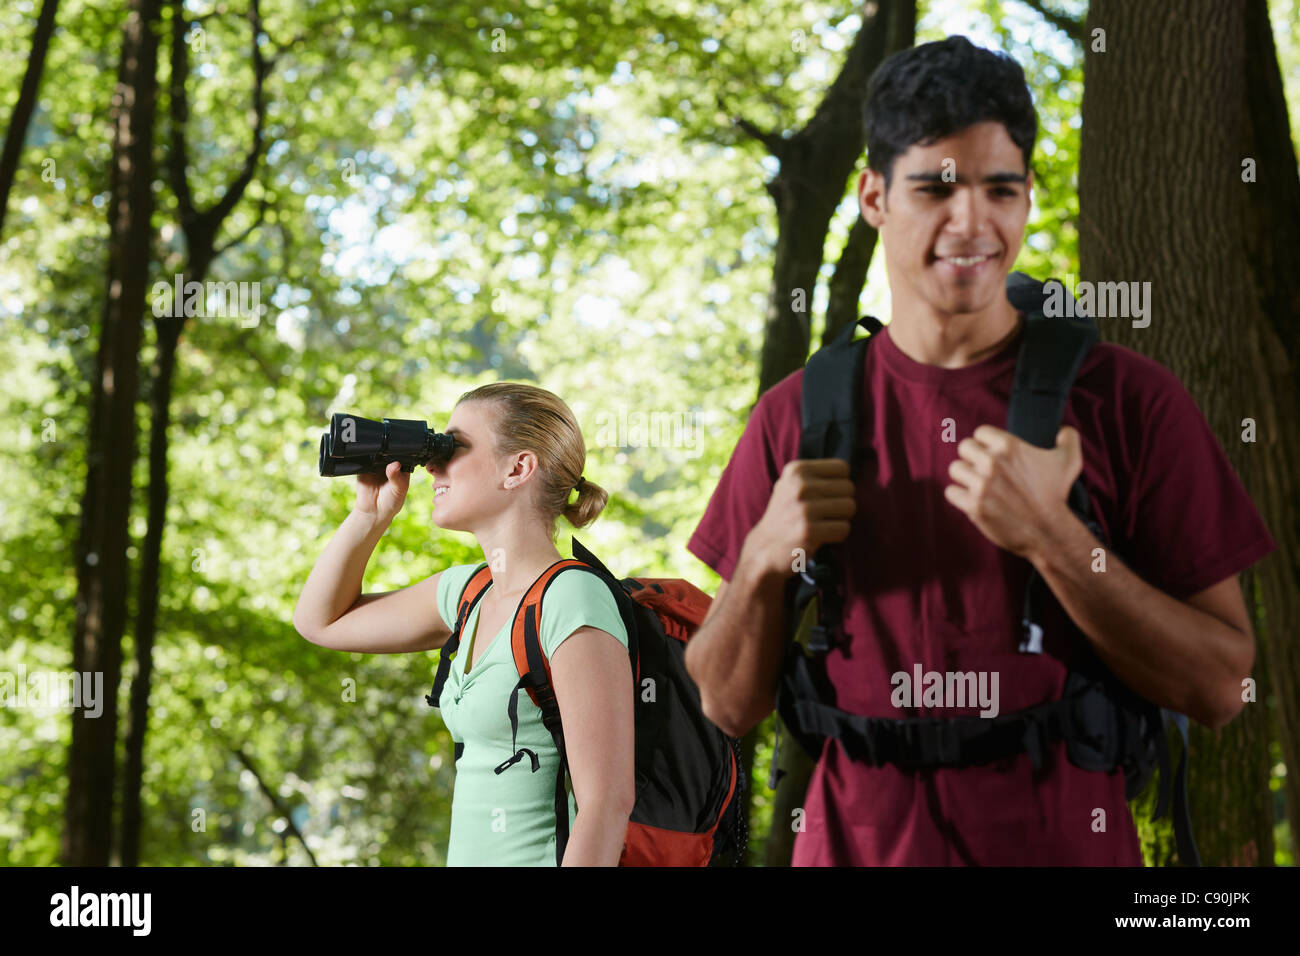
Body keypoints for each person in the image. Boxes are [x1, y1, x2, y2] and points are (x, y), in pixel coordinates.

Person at [683, 36, 1277, 866]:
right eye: (936, 188)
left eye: (1002, 189)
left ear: (1028, 196)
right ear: (873, 197)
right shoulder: (800, 416)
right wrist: (760, 564)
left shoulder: (1127, 401)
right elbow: (720, 701)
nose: (973, 222)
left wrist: (1054, 538)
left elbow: (1222, 686)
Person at [293, 383, 634, 866]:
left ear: (518, 468)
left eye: (453, 446)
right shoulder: (466, 594)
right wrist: (368, 516)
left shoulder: (571, 599)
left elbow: (606, 804)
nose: (432, 464)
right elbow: (320, 623)